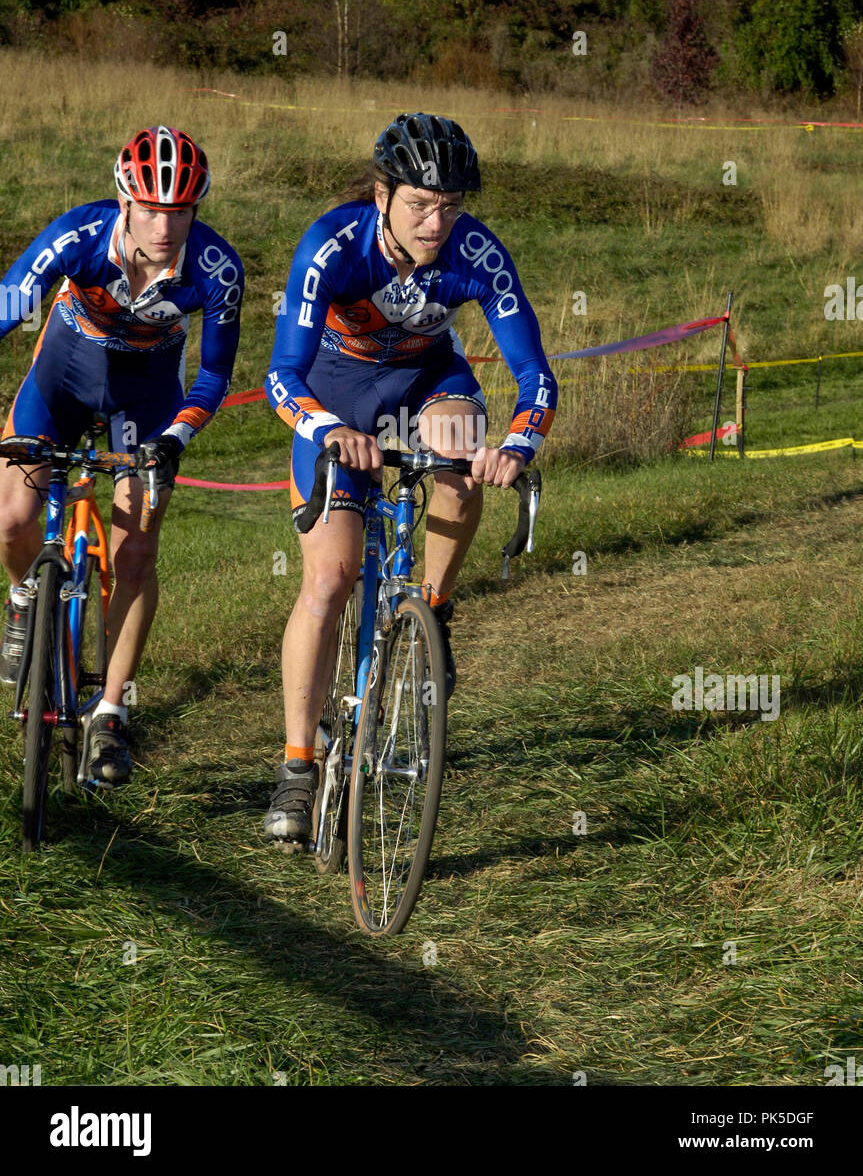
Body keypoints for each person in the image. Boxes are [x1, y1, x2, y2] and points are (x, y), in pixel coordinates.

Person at [263, 111, 557, 845]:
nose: (436, 223)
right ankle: (298, 765)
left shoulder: (476, 252)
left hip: (428, 379)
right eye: (421, 204)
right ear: (381, 195)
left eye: (450, 206)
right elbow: (281, 374)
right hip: (335, 389)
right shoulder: (332, 245)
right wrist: (328, 430)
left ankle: (434, 608)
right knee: (329, 580)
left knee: (459, 455)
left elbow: (535, 374)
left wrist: (516, 444)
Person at [0, 125, 244, 785]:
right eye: (152, 209)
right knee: (13, 519)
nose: (166, 227)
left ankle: (110, 713)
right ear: (125, 201)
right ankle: (24, 598)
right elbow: (9, 302)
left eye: (181, 211)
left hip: (147, 399)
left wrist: (176, 437)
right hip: (62, 380)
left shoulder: (216, 269)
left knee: (134, 552)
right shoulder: (79, 236)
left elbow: (214, 375)